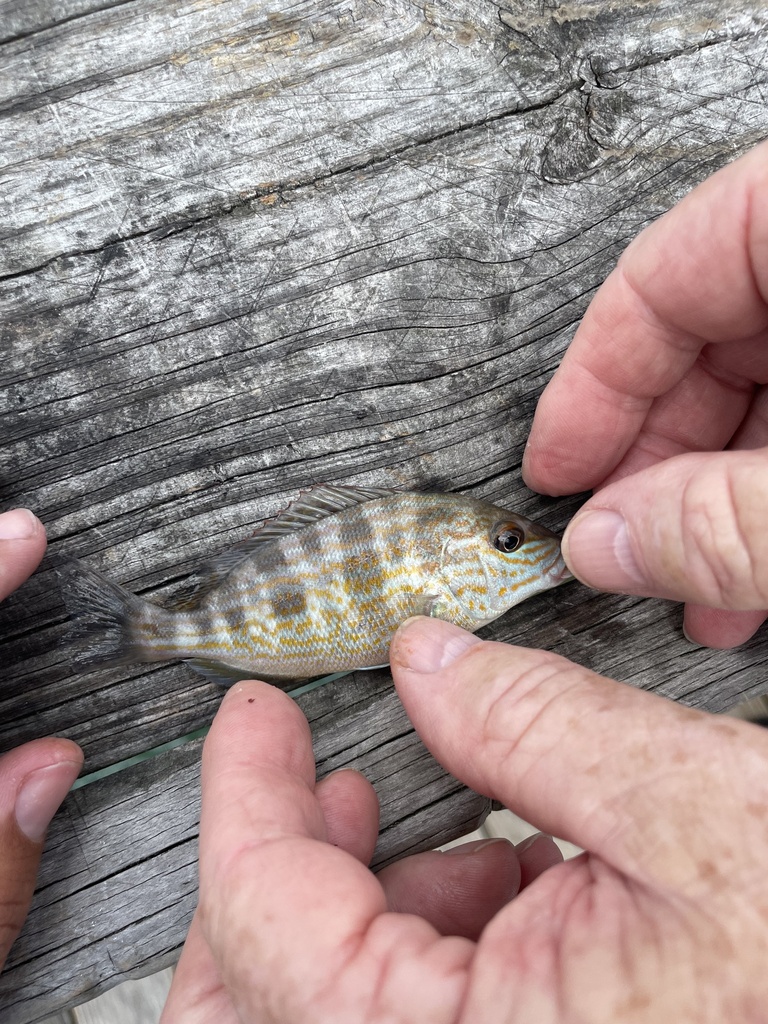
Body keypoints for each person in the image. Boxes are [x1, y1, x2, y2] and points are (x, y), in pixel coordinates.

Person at [2, 141, 767, 1021]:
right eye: (511, 541)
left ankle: (153, 629)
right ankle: (145, 628)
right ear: (454, 561)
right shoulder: (434, 584)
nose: (536, 550)